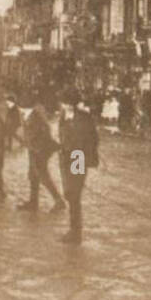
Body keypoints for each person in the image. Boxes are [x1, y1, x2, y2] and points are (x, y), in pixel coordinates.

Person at [58, 95, 100, 244]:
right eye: (64, 104)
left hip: (78, 156)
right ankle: (74, 229)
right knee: (69, 193)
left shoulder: (84, 117)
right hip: (65, 156)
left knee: (74, 193)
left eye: (67, 104)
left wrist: (87, 156)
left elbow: (93, 138)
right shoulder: (63, 115)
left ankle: (75, 232)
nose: (65, 107)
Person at [17, 96, 65, 213]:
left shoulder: (37, 117)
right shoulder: (25, 114)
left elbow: (45, 132)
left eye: (22, 108)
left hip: (42, 149)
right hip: (33, 148)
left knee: (42, 175)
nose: (20, 110)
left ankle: (59, 201)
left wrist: (36, 145)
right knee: (33, 175)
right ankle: (33, 202)